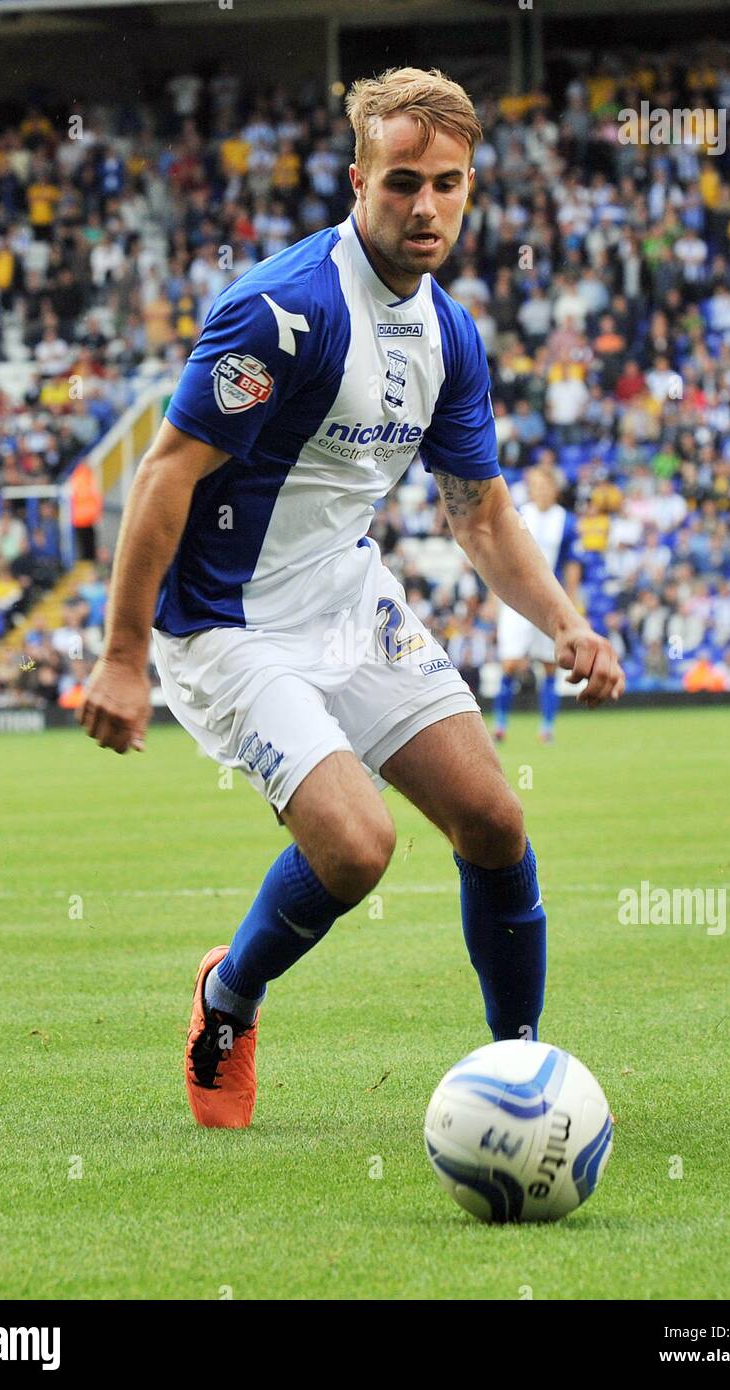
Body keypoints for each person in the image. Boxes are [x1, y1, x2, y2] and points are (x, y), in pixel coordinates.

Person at [79, 67, 624, 1130]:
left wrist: (563, 622)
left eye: (447, 185)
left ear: (469, 188)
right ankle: (225, 1000)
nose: (425, 207)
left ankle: (520, 1079)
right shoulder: (283, 308)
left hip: (346, 596)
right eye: (402, 183)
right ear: (356, 181)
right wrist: (121, 655)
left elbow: (478, 512)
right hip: (228, 623)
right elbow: (162, 473)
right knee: (355, 845)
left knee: (493, 818)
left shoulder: (448, 335)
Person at [492, 465, 582, 743]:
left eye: (544, 486)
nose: (539, 491)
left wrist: (572, 600)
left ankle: (546, 727)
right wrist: (493, 594)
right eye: (535, 486)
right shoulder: (519, 515)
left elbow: (571, 564)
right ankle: (501, 724)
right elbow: (501, 556)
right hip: (516, 598)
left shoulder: (565, 521)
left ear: (554, 489)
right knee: (510, 663)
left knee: (549, 664)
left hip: (550, 602)